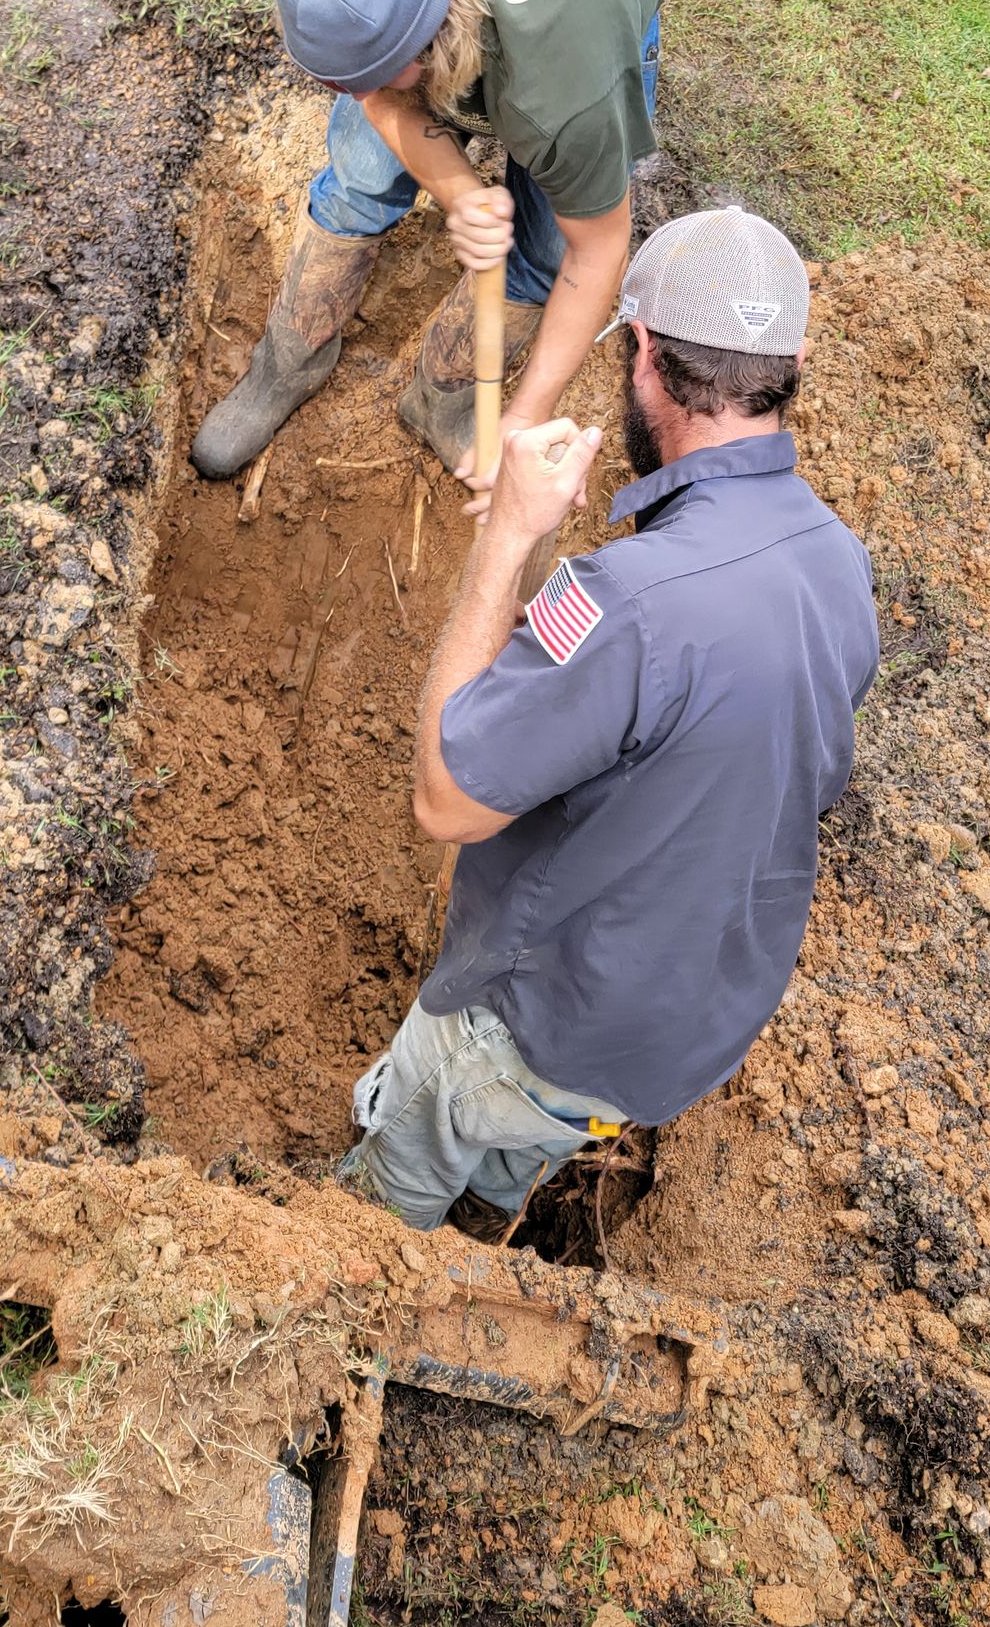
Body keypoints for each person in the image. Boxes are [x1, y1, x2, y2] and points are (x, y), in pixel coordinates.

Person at [339, 206, 880, 1231]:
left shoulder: (629, 603)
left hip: (538, 1024)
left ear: (641, 353)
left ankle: (380, 1247)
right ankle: (489, 1216)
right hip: (679, 1034)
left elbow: (447, 800)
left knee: (402, 1174)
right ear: (795, 360)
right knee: (524, 1147)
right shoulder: (840, 565)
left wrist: (507, 537)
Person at [189, 0, 681, 487]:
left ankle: (441, 397)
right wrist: (456, 191)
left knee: (542, 247)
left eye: (381, 73)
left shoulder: (566, 82)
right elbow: (376, 99)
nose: (362, 95)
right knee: (360, 175)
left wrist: (524, 414)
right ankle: (288, 361)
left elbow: (595, 251)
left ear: (437, 45)